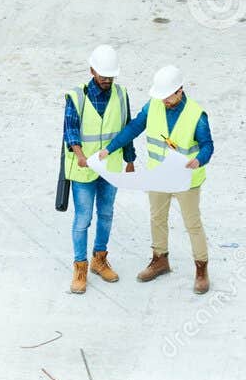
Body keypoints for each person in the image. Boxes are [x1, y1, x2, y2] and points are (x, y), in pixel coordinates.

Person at [101, 64, 214, 295]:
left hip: (186, 180)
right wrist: (110, 149)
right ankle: (160, 260)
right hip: (159, 177)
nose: (163, 101)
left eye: (167, 97)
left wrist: (199, 160)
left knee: (192, 224)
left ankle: (201, 270)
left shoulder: (196, 115)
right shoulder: (153, 105)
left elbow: (207, 145)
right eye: (160, 96)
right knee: (156, 218)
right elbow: (133, 128)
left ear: (179, 91)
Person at [62, 45, 135, 294]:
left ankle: (99, 260)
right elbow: (70, 131)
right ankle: (80, 267)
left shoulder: (121, 94)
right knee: (83, 219)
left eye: (110, 75)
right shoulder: (77, 97)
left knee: (106, 214)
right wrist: (81, 156)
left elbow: (127, 129)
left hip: (110, 168)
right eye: (102, 74)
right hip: (83, 170)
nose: (106, 79)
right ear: (92, 70)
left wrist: (130, 159)